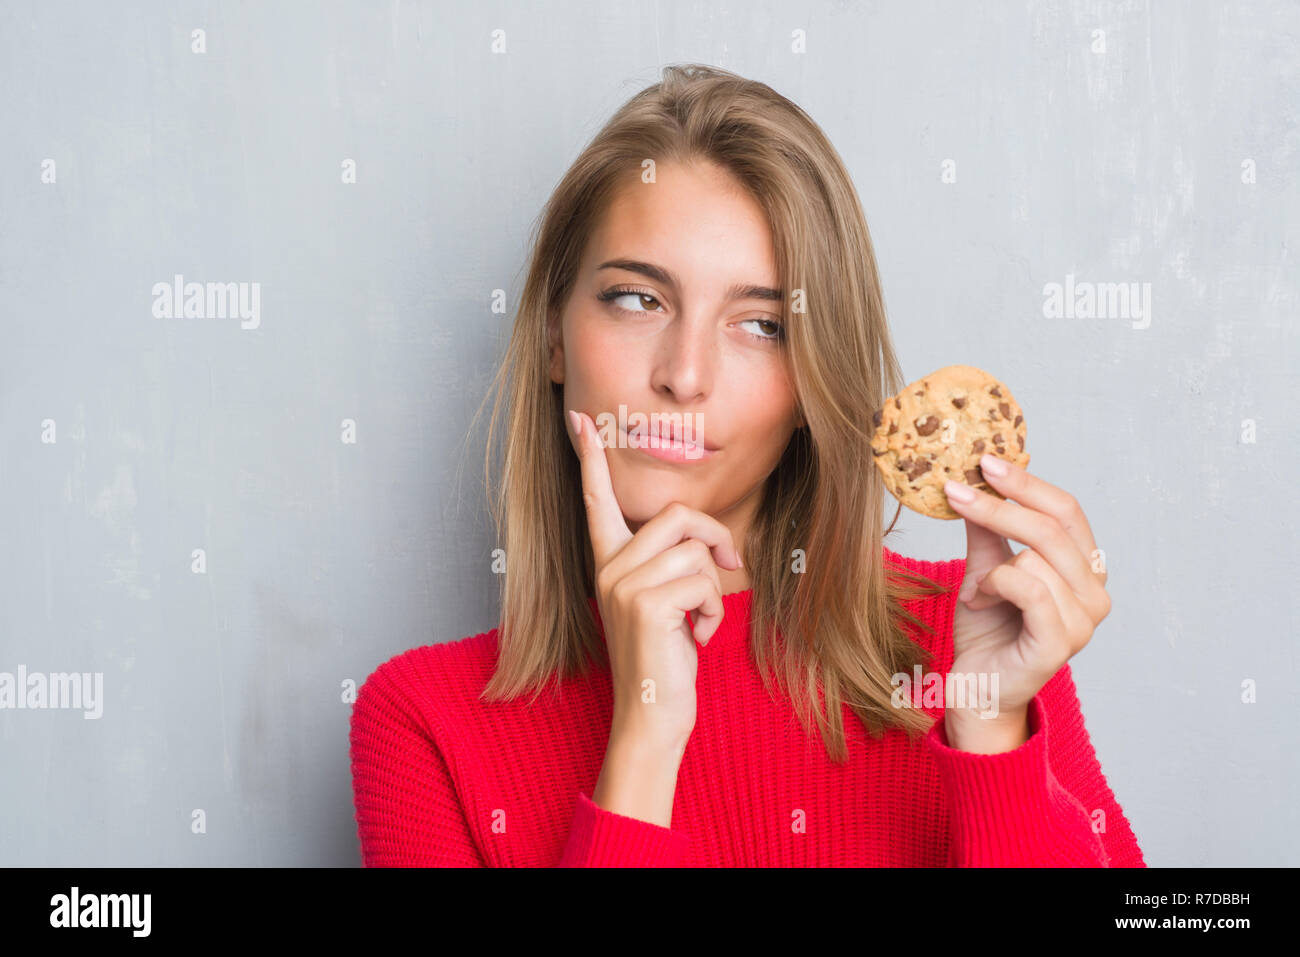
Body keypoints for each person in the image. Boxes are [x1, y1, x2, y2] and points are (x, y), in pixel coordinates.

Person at [348, 63, 1145, 867]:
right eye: (637, 298)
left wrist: (992, 742)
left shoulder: (965, 644)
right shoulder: (423, 722)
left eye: (761, 323)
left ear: (810, 381)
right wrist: (646, 740)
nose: (684, 375)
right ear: (555, 336)